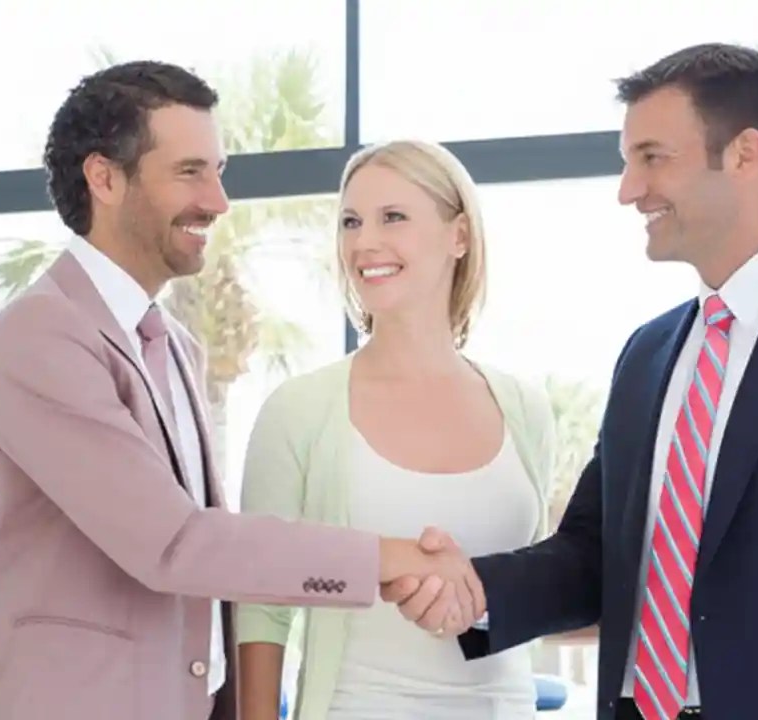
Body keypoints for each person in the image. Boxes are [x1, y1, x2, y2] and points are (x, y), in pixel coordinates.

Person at [385, 43, 758, 720]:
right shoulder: (646, 356)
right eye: (628, 162)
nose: (628, 189)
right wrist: (472, 585)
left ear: (744, 154)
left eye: (652, 158)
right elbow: (597, 556)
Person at [0, 62, 481, 720]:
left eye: (218, 172)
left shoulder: (175, 344)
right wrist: (391, 559)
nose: (217, 201)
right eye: (189, 173)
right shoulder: (39, 338)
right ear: (104, 178)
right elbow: (175, 544)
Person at [234, 139, 555, 720]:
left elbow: (540, 583)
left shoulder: (524, 408)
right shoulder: (298, 410)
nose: (364, 242)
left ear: (459, 236)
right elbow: (262, 604)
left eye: (393, 218)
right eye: (351, 222)